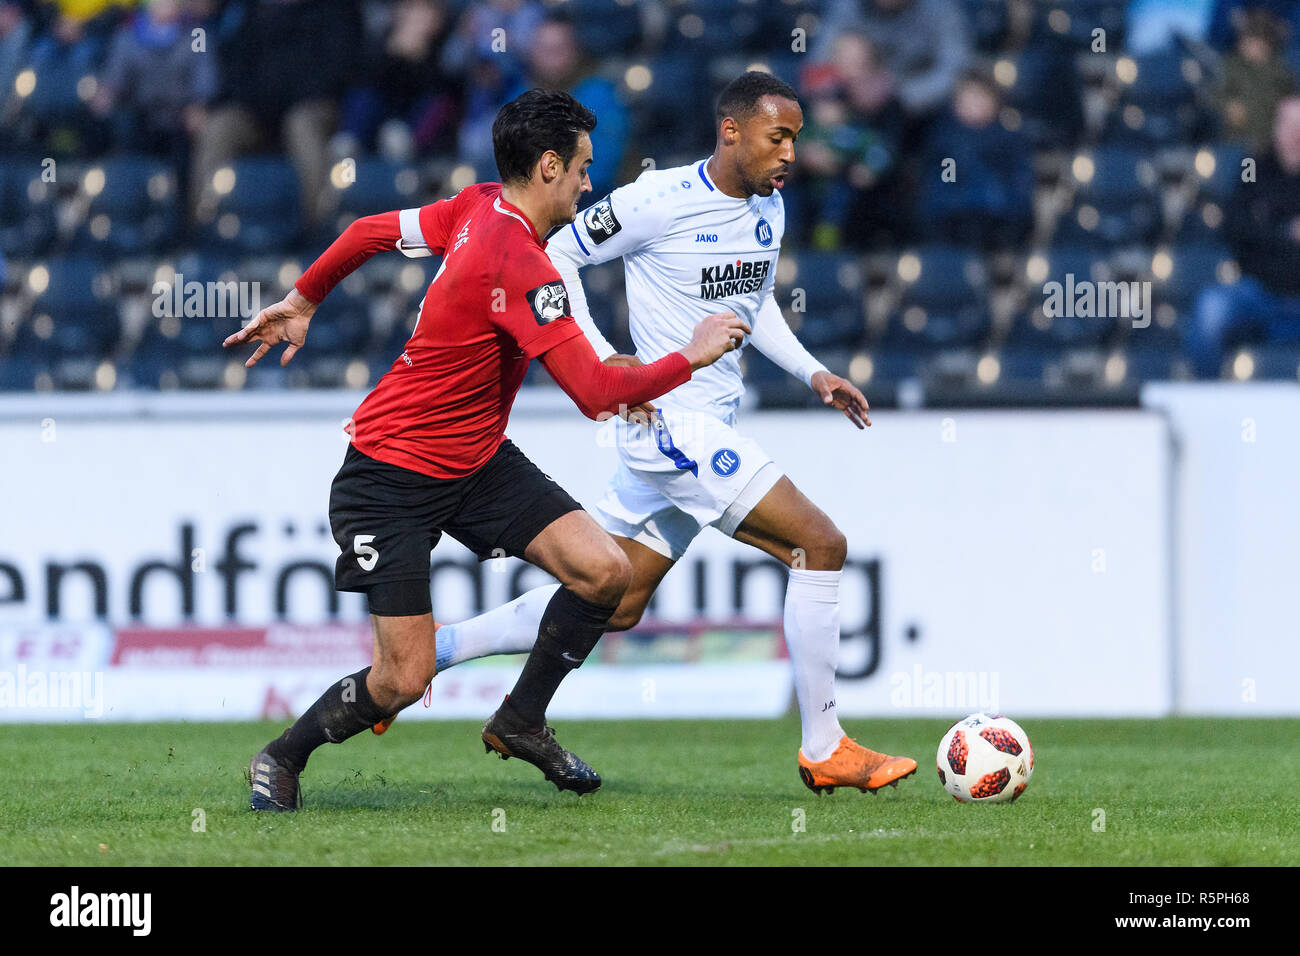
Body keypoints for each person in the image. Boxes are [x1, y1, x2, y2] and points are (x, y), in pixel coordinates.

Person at [394, 72, 918, 796]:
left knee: (614, 596)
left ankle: (437, 651)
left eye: (796, 138)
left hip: (705, 425)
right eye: (779, 137)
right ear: (731, 130)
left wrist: (812, 373)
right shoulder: (654, 200)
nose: (791, 153)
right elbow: (560, 257)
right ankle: (824, 746)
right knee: (819, 545)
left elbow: (752, 300)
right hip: (672, 421)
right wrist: (603, 352)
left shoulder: (771, 206)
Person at [224, 88, 749, 810]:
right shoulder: (521, 265)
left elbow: (371, 231)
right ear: (547, 166)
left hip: (476, 462)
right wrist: (691, 356)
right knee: (402, 681)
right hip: (388, 476)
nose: (590, 183)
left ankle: (521, 720)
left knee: (605, 573)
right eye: (583, 168)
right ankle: (281, 756)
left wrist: (306, 298)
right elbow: (596, 394)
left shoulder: (477, 206)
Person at [1186, 95, 1300, 377]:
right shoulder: (1254, 167)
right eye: (1288, 123)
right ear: (1275, 126)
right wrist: (1286, 232)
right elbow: (1235, 226)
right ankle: (1206, 402)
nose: (1295, 132)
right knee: (1211, 309)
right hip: (1260, 291)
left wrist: (1266, 227)